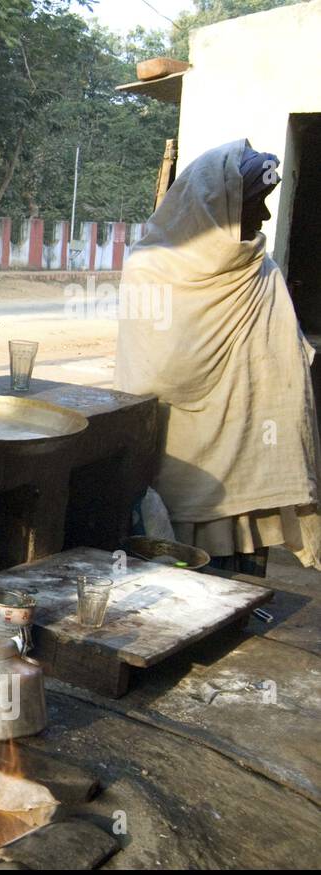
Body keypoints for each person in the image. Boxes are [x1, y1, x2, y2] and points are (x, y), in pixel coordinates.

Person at [115, 139, 321, 575]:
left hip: (252, 475)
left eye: (265, 203)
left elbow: (284, 369)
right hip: (179, 473)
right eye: (255, 204)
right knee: (176, 582)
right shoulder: (149, 268)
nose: (264, 217)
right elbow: (158, 376)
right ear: (215, 207)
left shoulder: (261, 272)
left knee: (242, 590)